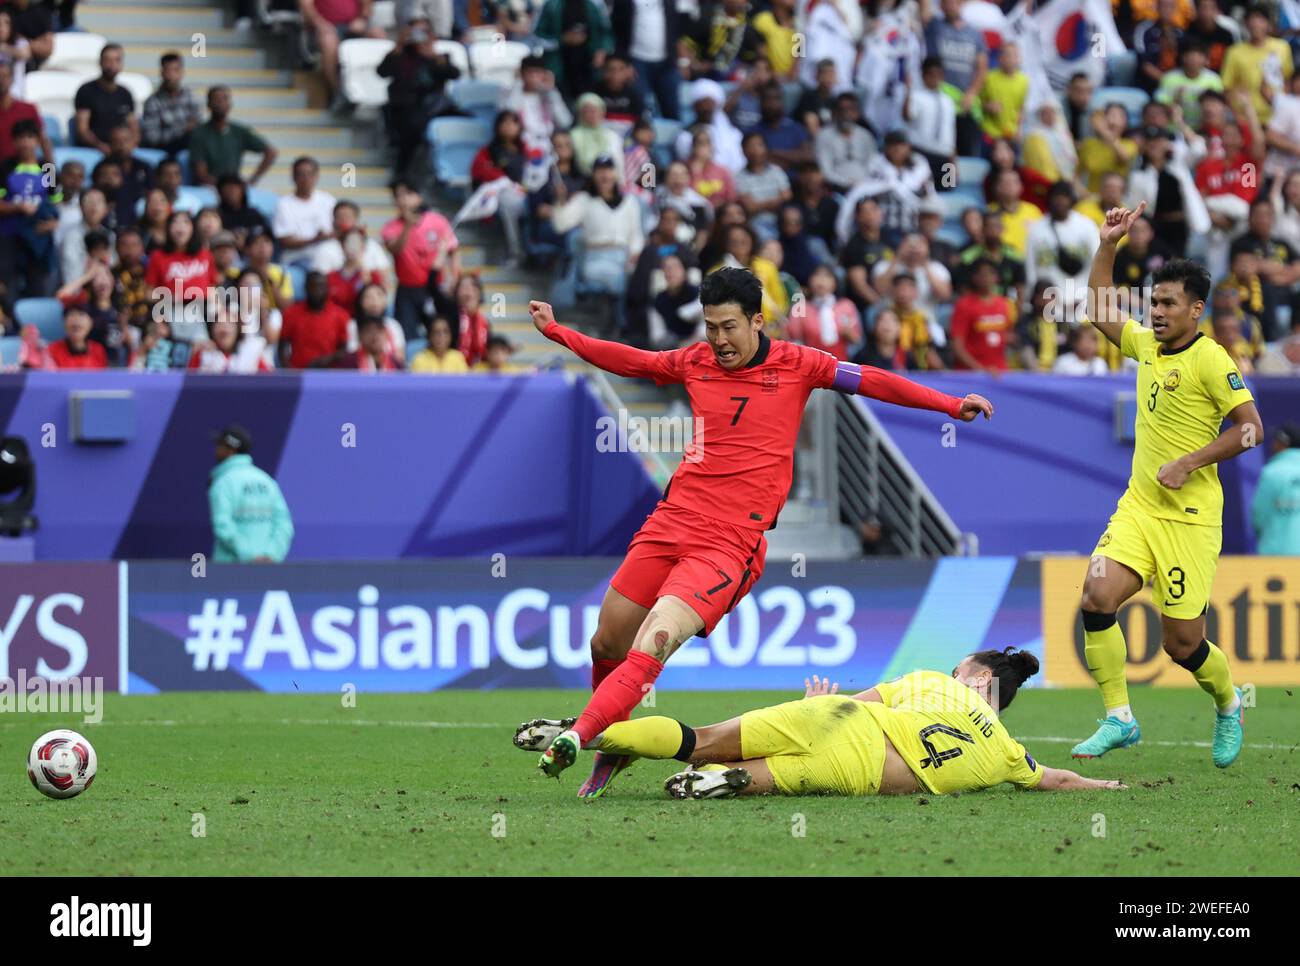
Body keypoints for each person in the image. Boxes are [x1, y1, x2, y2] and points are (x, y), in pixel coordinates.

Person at [521, 268, 993, 797]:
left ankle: (584, 736)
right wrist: (560, 333)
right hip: (671, 519)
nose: (718, 340)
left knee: (654, 640)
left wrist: (950, 404)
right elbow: (632, 360)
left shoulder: (801, 364)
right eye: (709, 327)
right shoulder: (695, 361)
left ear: (757, 321)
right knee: (606, 639)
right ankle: (611, 739)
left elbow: (876, 381)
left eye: (728, 327)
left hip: (728, 542)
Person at [1074, 202, 1263, 769]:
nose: (1155, 312)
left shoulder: (1212, 360)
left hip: (1190, 520)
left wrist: (1188, 463)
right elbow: (1099, 311)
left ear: (1196, 309)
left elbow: (1251, 430)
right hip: (1139, 509)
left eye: (1167, 303)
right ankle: (1119, 718)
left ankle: (1229, 703)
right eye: (1153, 301)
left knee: (1181, 646)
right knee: (1096, 595)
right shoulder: (1147, 348)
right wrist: (1108, 244)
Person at [515, 649, 1125, 799]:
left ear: (975, 676)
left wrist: (822, 702)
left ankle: (586, 731)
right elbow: (1060, 781)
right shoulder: (1008, 754)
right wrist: (1107, 788)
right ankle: (725, 784)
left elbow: (858, 698)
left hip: (841, 714)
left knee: (698, 742)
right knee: (764, 779)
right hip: (867, 764)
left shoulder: (931, 681)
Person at [382, 179, 460, 340]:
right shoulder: (391, 227)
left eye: (408, 194)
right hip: (407, 290)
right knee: (405, 336)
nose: (403, 199)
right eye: (398, 196)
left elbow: (453, 250)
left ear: (418, 197)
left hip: (434, 288)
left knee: (442, 334)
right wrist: (408, 227)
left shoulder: (437, 221)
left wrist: (454, 278)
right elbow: (395, 249)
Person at [208, 425, 294, 563]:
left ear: (230, 450)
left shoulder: (223, 483)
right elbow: (284, 525)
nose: (216, 450)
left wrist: (250, 557)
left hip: (230, 573)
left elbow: (223, 526)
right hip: (267, 570)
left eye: (220, 445)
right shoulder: (267, 481)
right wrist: (271, 556)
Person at [189, 86, 278, 186]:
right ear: (208, 104)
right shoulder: (199, 133)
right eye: (216, 99)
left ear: (230, 105)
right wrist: (223, 187)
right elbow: (201, 174)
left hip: (233, 187)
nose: (220, 103)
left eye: (224, 99)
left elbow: (271, 152)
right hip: (208, 188)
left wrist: (253, 180)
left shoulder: (239, 131)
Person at [949, 257, 1014, 373]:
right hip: (971, 375)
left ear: (997, 277)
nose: (986, 278)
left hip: (1000, 373)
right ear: (974, 277)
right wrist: (981, 370)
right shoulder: (964, 305)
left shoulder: (1004, 304)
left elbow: (1007, 336)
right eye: (981, 274)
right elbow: (957, 346)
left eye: (990, 273)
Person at [273, 156, 336, 270]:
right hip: (297, 259)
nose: (306, 178)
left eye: (310, 174)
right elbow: (286, 241)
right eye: (301, 174)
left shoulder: (328, 200)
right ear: (293, 177)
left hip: (327, 256)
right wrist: (315, 239)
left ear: (317, 177)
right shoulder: (284, 204)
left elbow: (336, 230)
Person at [278, 271, 351, 368]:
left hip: (330, 374)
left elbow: (344, 349)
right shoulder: (291, 314)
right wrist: (288, 371)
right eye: (313, 286)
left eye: (321, 286)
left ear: (327, 288)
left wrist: (328, 359)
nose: (317, 290)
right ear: (306, 288)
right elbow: (282, 346)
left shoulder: (340, 315)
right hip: (298, 374)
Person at [74, 44, 137, 153]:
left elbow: (134, 128)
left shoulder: (125, 94)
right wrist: (101, 146)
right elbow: (83, 130)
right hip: (94, 150)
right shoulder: (86, 91)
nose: (112, 65)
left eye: (117, 60)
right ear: (100, 62)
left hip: (121, 150)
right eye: (108, 60)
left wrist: (130, 145)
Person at [1252, 421, 1300, 555]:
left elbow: (1259, 515)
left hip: (1277, 555)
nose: (1273, 445)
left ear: (1282, 444)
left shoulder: (1272, 472)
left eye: (1276, 441)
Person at [141, 52, 201, 154]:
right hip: (163, 151)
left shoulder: (192, 97)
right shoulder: (152, 101)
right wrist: (183, 129)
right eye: (167, 70)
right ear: (162, 73)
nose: (171, 75)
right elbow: (152, 138)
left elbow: (198, 129)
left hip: (189, 149)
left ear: (182, 72)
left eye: (175, 70)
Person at [46, 304, 108, 369]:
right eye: (71, 314)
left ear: (91, 323)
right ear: (64, 322)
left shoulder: (99, 350)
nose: (76, 319)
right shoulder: (52, 350)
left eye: (81, 314)